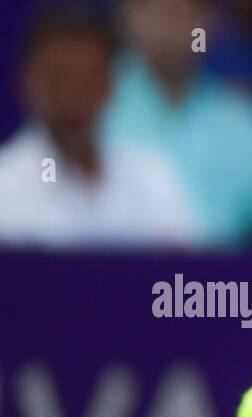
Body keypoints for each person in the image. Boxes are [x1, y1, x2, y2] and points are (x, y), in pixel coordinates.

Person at [102, 0, 252, 250]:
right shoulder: (94, 108)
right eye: (159, 10)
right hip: (116, 279)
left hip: (222, 285)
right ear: (128, 18)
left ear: (209, 23)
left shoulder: (244, 119)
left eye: (187, 12)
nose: (172, 27)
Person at [0, 3, 196, 250]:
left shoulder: (151, 174)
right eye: (58, 82)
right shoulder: (5, 185)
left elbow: (184, 271)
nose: (73, 100)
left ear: (110, 85)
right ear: (30, 82)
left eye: (86, 82)